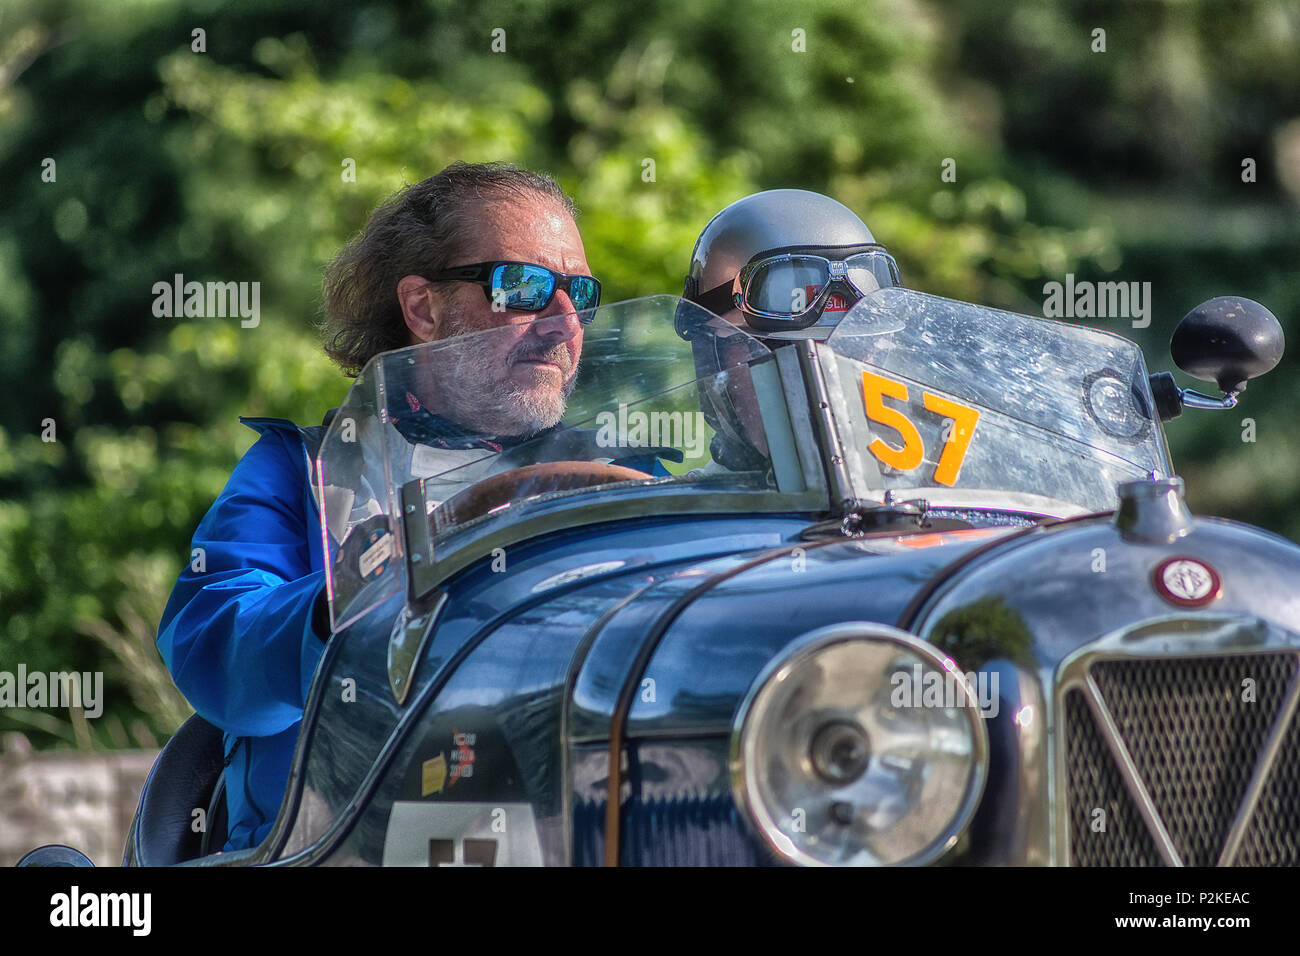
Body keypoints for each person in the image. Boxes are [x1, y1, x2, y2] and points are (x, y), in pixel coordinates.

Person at [156, 161, 608, 852]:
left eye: (580, 292)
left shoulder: (626, 476)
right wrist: (353, 595)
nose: (564, 321)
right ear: (423, 308)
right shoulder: (300, 471)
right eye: (525, 287)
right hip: (334, 845)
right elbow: (215, 647)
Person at [676, 188, 904, 470]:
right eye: (783, 358)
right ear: (712, 358)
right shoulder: (681, 509)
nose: (824, 386)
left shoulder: (939, 493)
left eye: (851, 354)